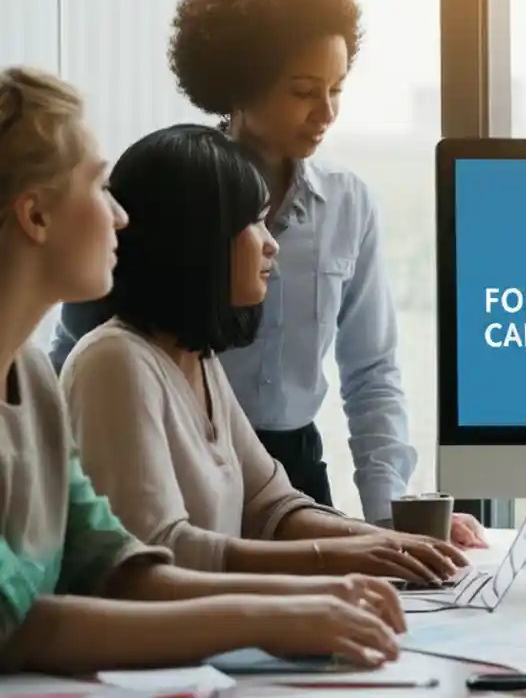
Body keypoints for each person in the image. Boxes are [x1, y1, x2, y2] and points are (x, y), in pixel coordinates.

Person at [0, 66, 404, 673]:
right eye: (100, 187)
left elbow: (119, 565)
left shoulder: (33, 377)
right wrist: (275, 612)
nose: (121, 217)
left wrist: (320, 591)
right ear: (36, 216)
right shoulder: (109, 359)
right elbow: (24, 625)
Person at [48, 0, 479, 540]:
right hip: (170, 457)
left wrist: (389, 520)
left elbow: (372, 373)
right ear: (240, 86)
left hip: (286, 471)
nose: (326, 112)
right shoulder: (168, 186)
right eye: (303, 91)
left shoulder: (347, 203)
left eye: (337, 89)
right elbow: (79, 350)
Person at [61, 124, 469, 586]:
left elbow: (271, 505)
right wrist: (336, 558)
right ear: (198, 238)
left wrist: (391, 543)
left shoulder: (196, 357)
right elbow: (160, 552)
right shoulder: (115, 362)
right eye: (254, 222)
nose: (271, 242)